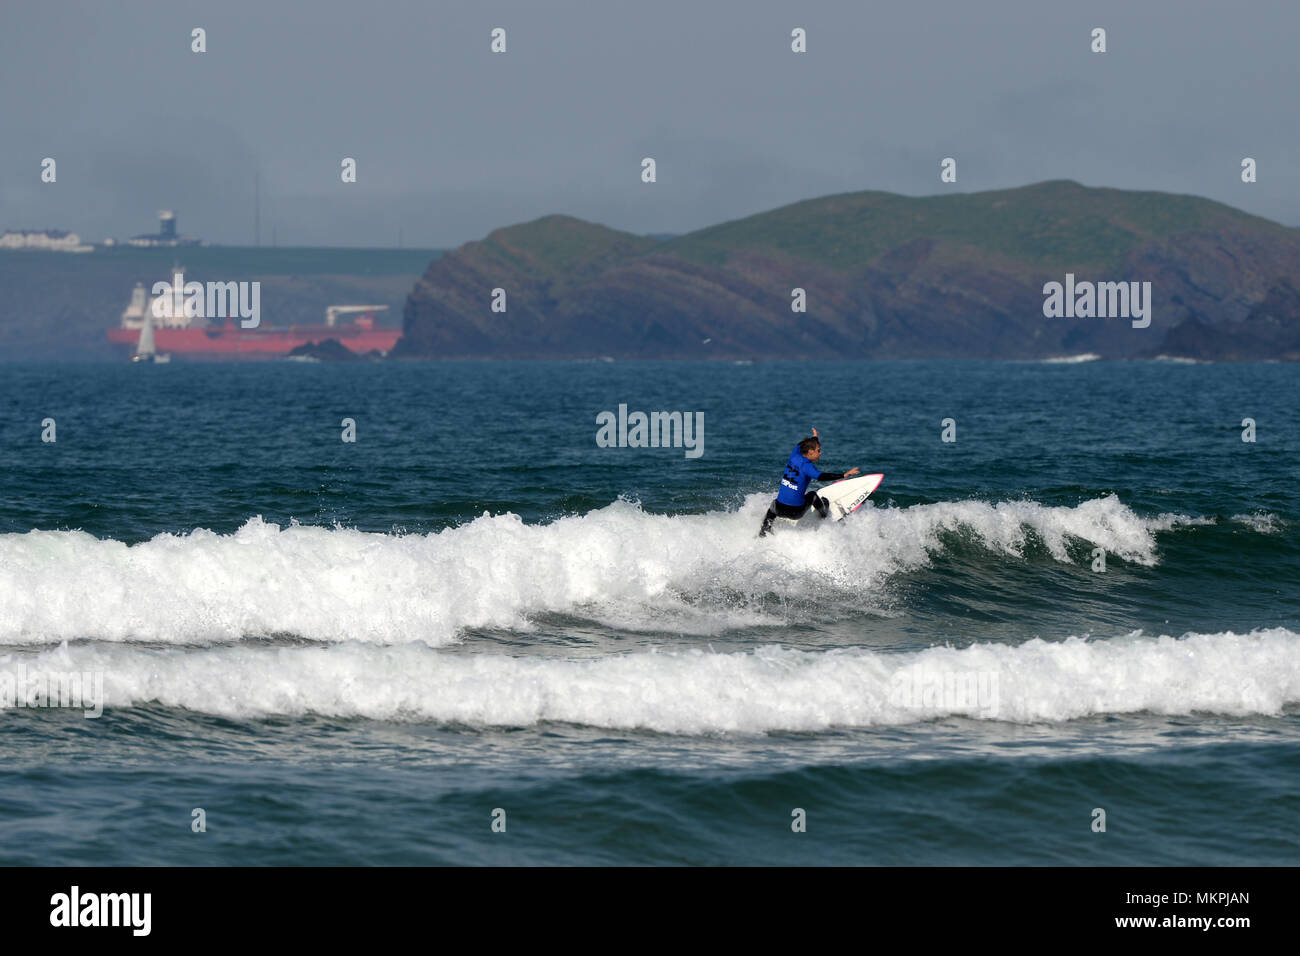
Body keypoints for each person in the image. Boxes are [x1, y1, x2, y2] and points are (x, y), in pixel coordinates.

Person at [758, 427, 860, 536]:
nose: (820, 453)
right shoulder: (807, 467)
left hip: (779, 509)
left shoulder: (794, 455)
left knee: (773, 507)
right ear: (811, 452)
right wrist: (844, 475)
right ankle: (824, 513)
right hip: (796, 512)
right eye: (818, 450)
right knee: (812, 495)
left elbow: (801, 444)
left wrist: (814, 437)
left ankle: (763, 532)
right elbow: (821, 476)